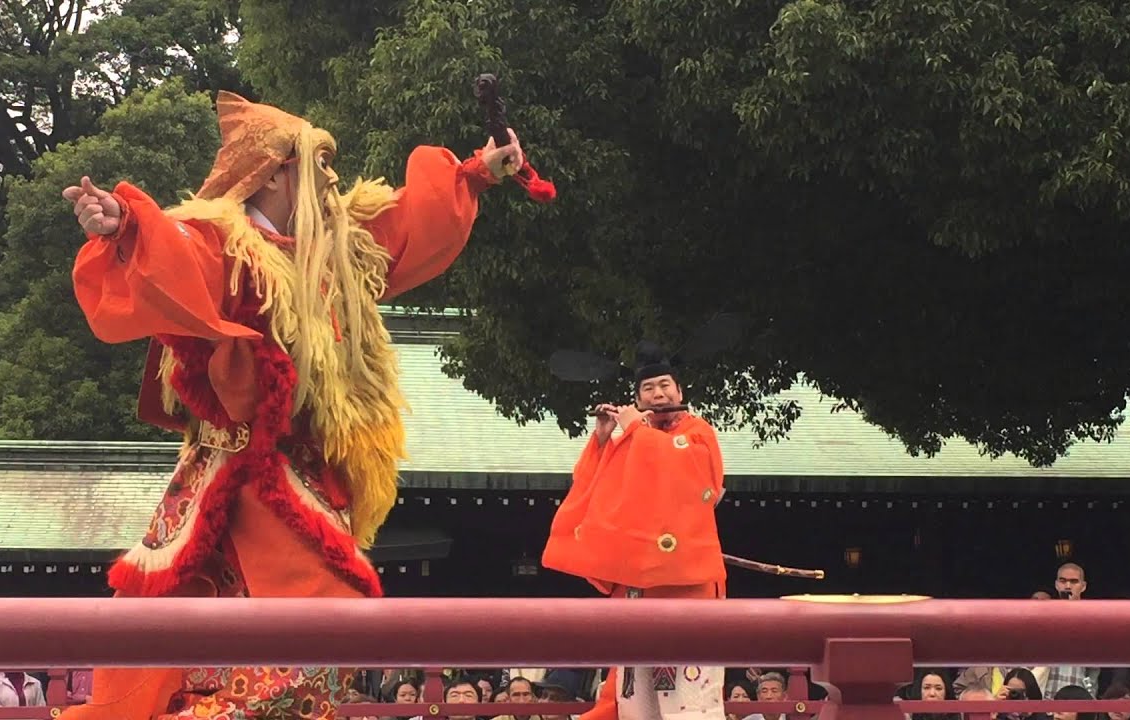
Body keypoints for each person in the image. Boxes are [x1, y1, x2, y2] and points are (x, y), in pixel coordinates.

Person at [58, 91, 525, 720]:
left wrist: (477, 171)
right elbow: (178, 256)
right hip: (245, 475)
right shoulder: (225, 243)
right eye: (319, 161)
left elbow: (403, 224)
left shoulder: (336, 250)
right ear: (275, 170)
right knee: (288, 643)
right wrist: (127, 227)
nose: (332, 175)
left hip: (303, 473)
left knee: (294, 648)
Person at [543, 341, 727, 720]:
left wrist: (636, 431)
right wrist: (601, 438)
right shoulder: (629, 435)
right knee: (635, 705)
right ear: (637, 397)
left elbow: (697, 485)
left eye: (664, 386)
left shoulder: (698, 433)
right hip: (635, 588)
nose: (658, 395)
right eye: (648, 389)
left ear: (680, 390)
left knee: (688, 705)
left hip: (686, 586)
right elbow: (594, 489)